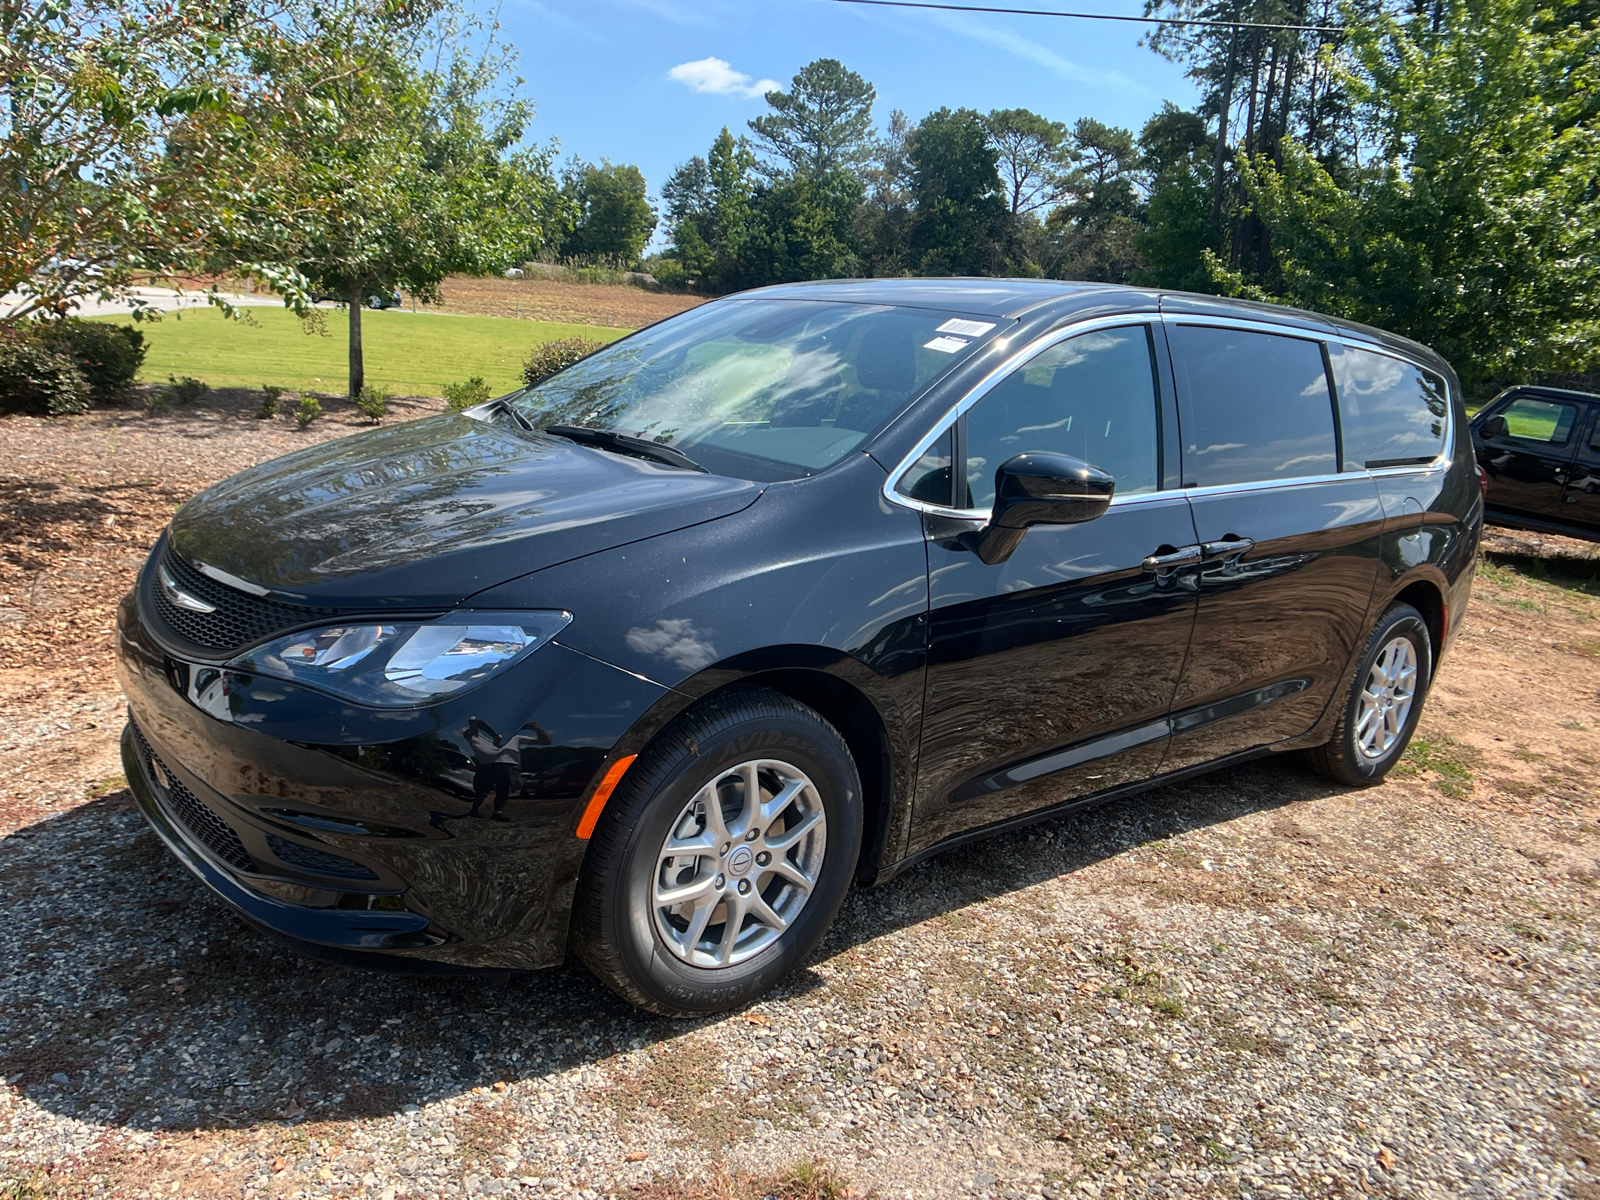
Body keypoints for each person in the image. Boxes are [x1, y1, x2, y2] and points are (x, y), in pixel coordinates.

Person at [463, 718, 551, 820]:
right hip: (487, 765)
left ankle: (497, 812)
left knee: (504, 790)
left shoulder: (514, 737)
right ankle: (474, 809)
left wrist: (538, 729)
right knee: (481, 791)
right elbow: (467, 735)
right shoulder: (475, 736)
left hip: (509, 765)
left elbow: (546, 741)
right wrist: (474, 727)